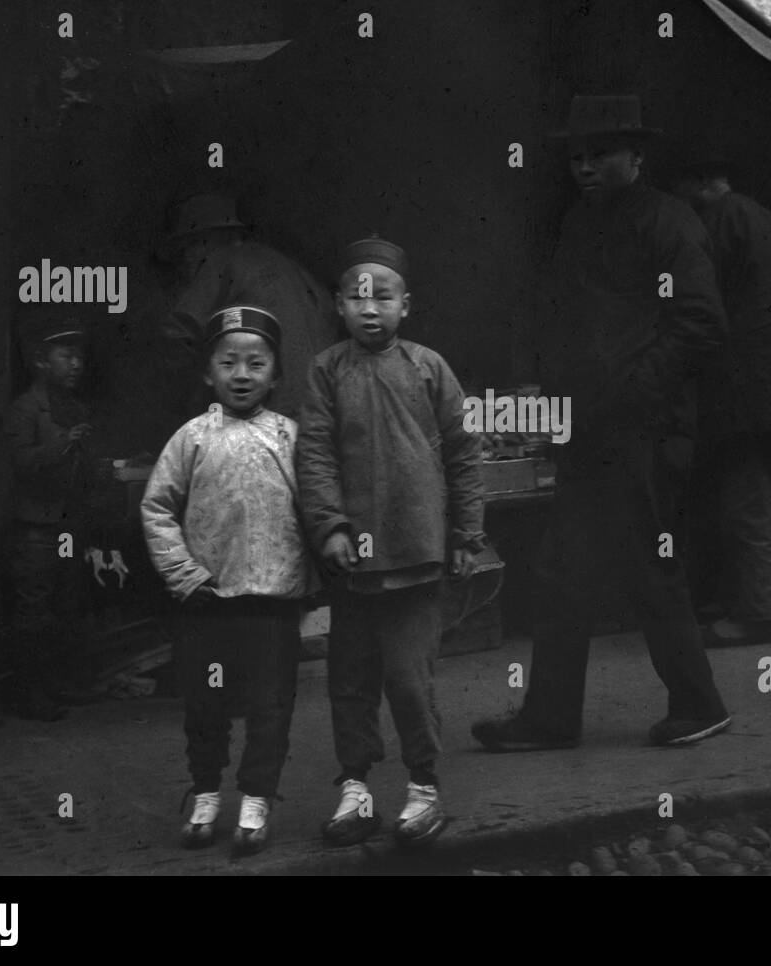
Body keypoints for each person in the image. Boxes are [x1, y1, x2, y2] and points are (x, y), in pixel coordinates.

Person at [472, 95, 731, 752]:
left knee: (649, 564)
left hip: (645, 429)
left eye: (601, 155)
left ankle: (699, 704)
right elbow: (562, 319)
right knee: (563, 570)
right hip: (589, 429)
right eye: (578, 157)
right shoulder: (580, 224)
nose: (585, 167)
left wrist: (633, 392)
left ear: (637, 157)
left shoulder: (669, 225)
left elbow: (698, 322)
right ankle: (551, 719)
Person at [296, 236, 486, 848]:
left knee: (408, 679)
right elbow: (315, 452)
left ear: (407, 305)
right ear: (339, 306)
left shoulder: (429, 368)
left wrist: (466, 533)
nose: (370, 307)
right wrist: (329, 526)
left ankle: (424, 789)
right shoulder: (326, 370)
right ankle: (355, 790)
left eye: (384, 295)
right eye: (357, 296)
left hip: (418, 553)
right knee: (349, 679)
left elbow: (464, 454)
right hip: (352, 561)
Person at [142, 305, 319, 855]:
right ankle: (204, 792)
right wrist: (184, 574)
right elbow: (157, 508)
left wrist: (311, 581)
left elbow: (316, 511)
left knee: (270, 707)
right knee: (207, 703)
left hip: (270, 607)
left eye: (256, 363)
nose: (242, 374)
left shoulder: (291, 439)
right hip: (207, 604)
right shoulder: (191, 440)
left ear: (276, 374)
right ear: (208, 372)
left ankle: (257, 798)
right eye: (229, 362)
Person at [672, 155, 771, 647]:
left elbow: (701, 302)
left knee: (745, 505)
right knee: (761, 504)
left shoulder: (721, 220)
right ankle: (749, 601)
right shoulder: (759, 216)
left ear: (701, 180)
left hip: (749, 389)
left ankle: (756, 615)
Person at [3, 318, 122, 720]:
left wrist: (109, 467)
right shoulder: (24, 409)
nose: (76, 364)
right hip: (35, 527)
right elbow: (19, 463)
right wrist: (63, 443)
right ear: (40, 361)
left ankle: (56, 687)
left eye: (79, 357)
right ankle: (29, 696)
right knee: (33, 613)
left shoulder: (75, 408)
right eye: (66, 356)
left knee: (64, 609)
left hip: (69, 525)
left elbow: (83, 469)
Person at [160, 190, 335, 422]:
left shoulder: (220, 262)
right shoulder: (296, 271)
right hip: (319, 416)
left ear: (205, 241)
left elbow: (180, 333)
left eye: (188, 249)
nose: (186, 260)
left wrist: (188, 408)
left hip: (265, 417)